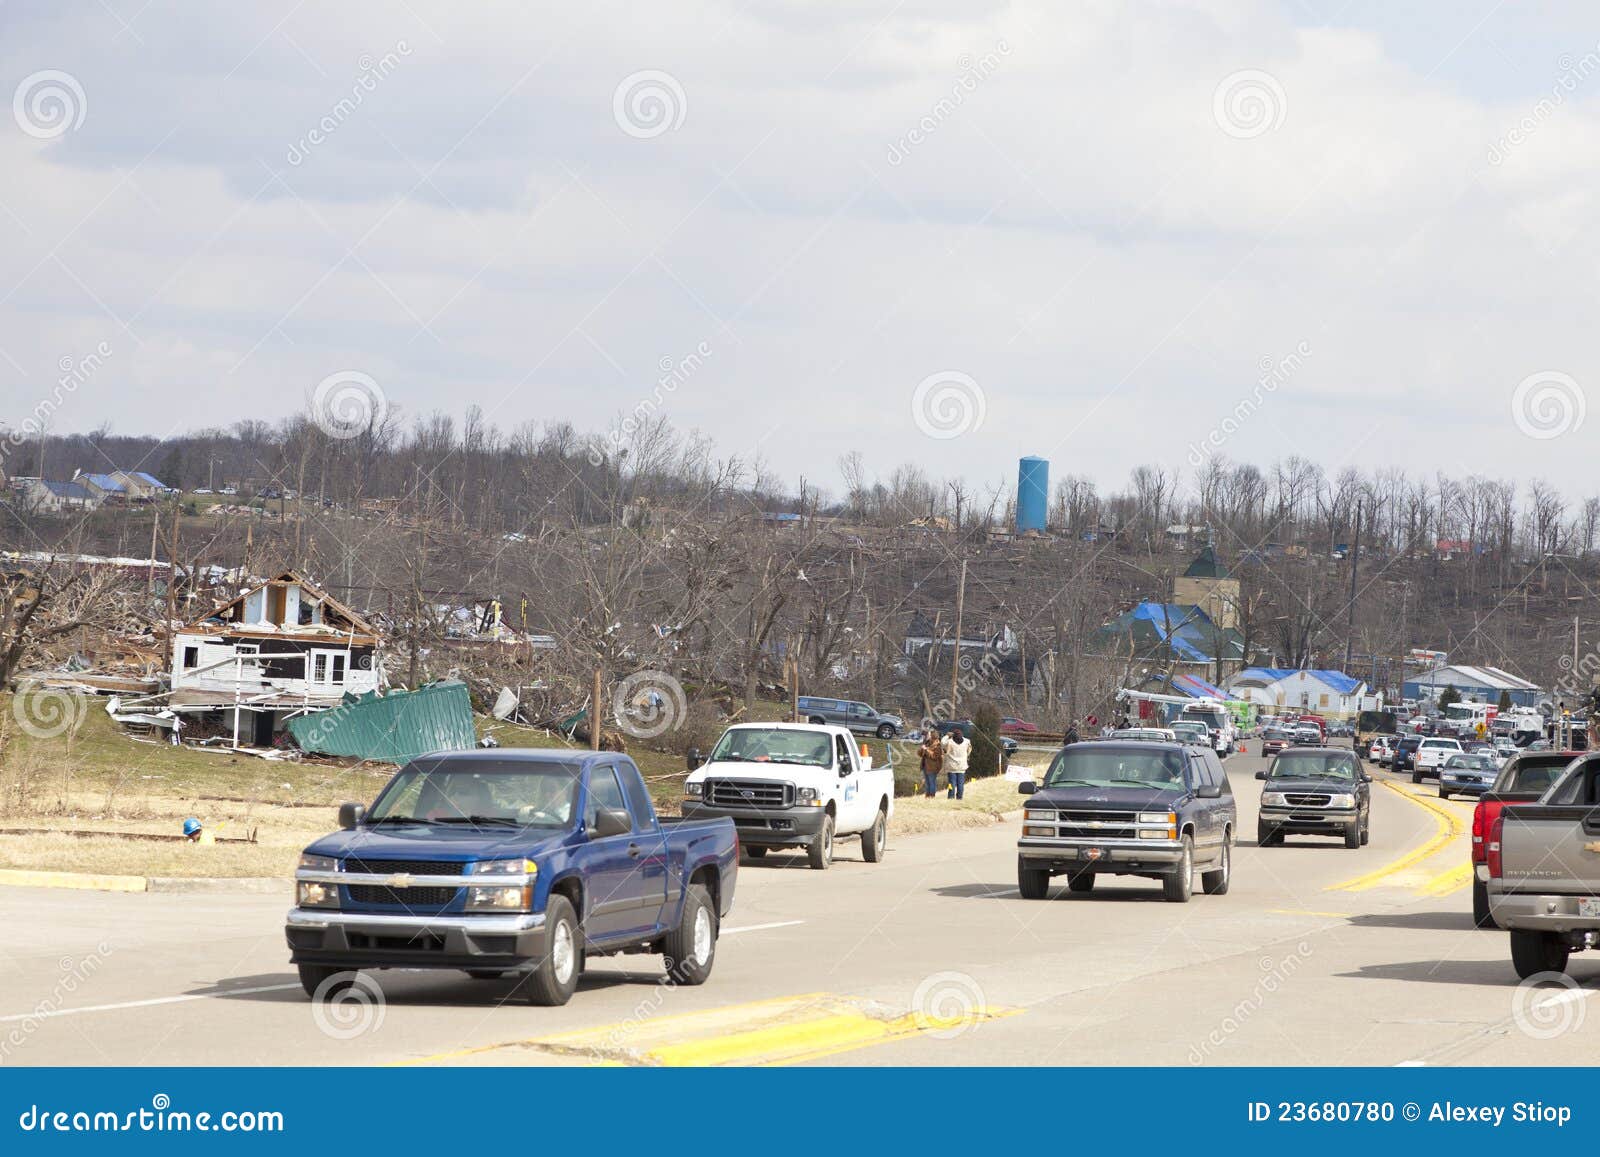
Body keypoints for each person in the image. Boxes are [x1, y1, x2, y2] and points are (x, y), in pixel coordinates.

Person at [941, 728, 970, 800]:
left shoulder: (950, 742)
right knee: (960, 784)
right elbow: (968, 750)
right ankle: (959, 797)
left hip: (951, 766)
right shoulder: (967, 741)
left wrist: (947, 735)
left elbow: (942, 742)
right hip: (962, 766)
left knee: (952, 783)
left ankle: (951, 796)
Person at [917, 731, 944, 798]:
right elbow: (920, 754)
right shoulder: (927, 743)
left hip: (933, 768)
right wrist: (922, 748)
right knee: (927, 782)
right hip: (925, 766)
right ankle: (927, 796)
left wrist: (926, 750)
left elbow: (934, 756)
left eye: (929, 735)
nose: (927, 737)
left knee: (932, 782)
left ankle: (932, 796)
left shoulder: (938, 746)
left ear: (933, 737)